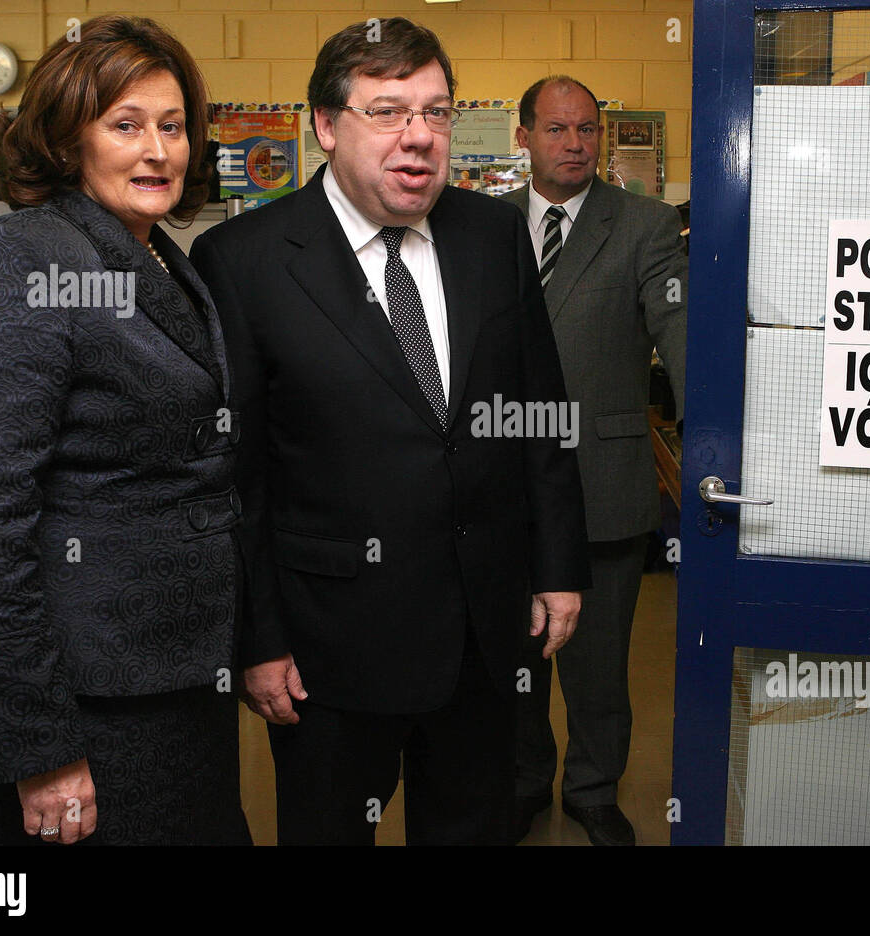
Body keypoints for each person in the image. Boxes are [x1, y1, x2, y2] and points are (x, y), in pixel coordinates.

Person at [190, 17, 591, 846]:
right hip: (328, 648)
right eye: (388, 111)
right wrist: (257, 640)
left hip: (485, 633)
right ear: (326, 126)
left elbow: (539, 414)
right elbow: (239, 475)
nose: (419, 138)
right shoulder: (246, 260)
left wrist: (557, 567)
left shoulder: (493, 237)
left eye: (437, 113)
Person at [0, 15, 249, 846]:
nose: (158, 151)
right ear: (68, 141)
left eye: (172, 127)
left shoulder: (160, 257)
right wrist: (37, 746)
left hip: (173, 678)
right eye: (126, 126)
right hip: (86, 703)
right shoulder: (19, 260)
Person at [503, 76, 688, 846]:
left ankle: (592, 788)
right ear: (524, 137)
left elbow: (675, 326)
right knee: (514, 665)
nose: (575, 144)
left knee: (600, 662)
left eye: (588, 130)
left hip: (601, 481)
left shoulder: (643, 224)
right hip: (501, 481)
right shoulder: (484, 223)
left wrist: (709, 422)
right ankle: (519, 784)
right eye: (556, 130)